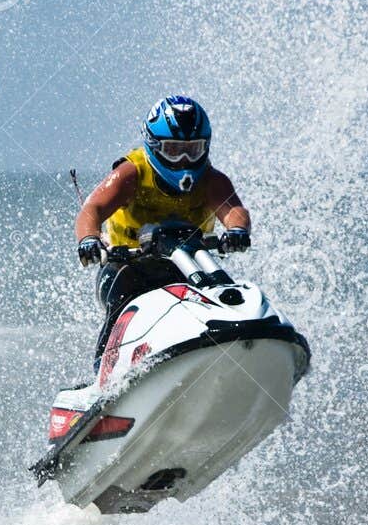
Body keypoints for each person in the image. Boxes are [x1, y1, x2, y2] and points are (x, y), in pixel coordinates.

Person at [74, 96, 251, 363]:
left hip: (189, 264)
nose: (183, 161)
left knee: (218, 292)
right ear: (154, 146)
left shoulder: (212, 180)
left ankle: (237, 344)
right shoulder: (131, 173)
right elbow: (92, 210)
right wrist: (89, 238)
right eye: (173, 150)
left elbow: (234, 211)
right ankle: (103, 376)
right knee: (122, 297)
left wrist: (237, 231)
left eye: (192, 151)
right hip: (127, 266)